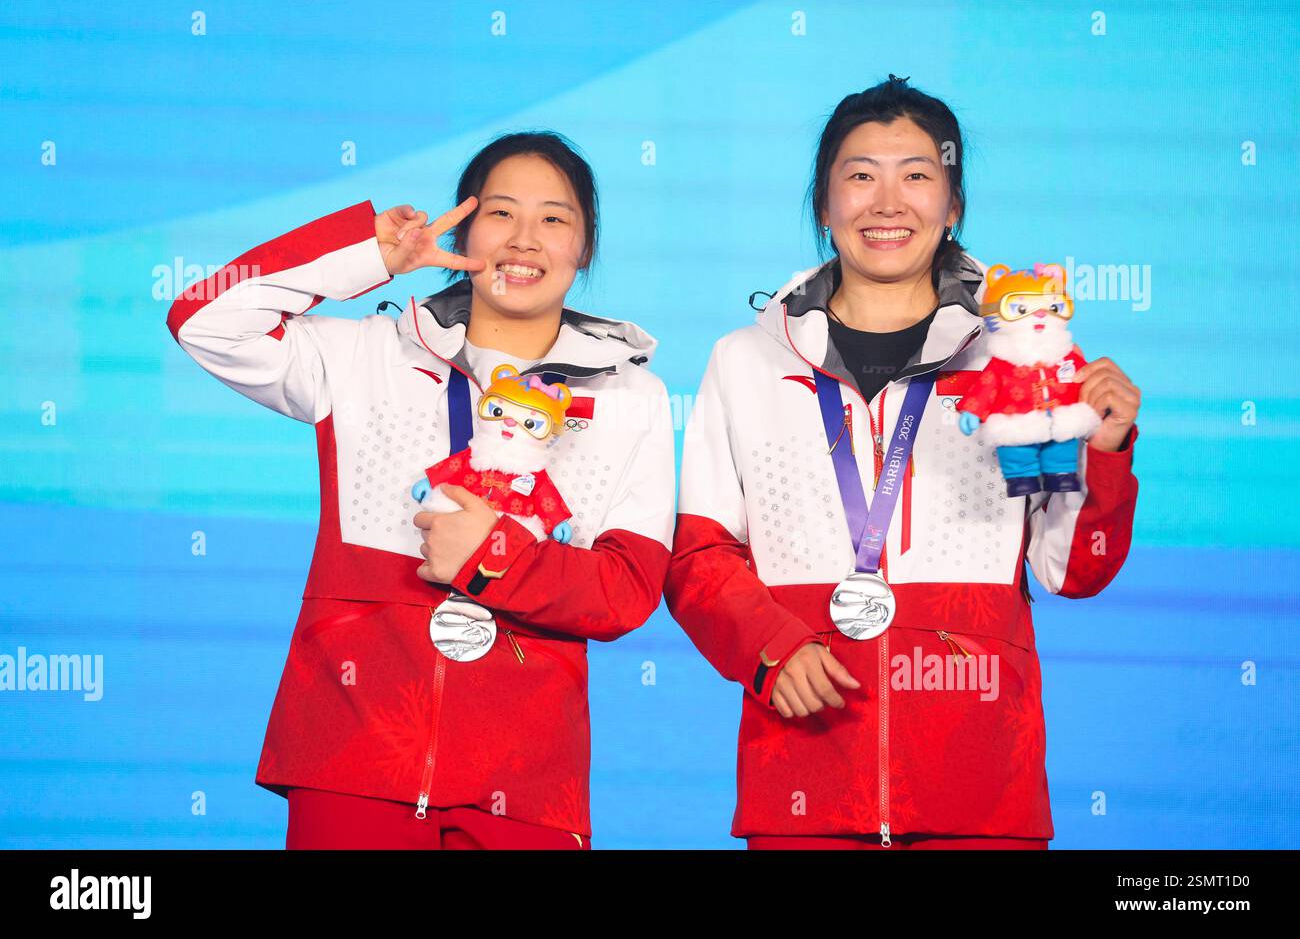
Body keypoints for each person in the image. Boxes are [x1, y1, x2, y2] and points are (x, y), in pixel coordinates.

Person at [664, 76, 1141, 849]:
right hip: (803, 774)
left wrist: (1109, 452)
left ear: (952, 205)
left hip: (982, 788)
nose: (888, 203)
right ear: (824, 204)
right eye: (860, 176)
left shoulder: (1019, 361)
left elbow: (1072, 571)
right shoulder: (745, 361)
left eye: (917, 175)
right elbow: (698, 556)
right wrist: (771, 648)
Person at [166, 131, 676, 849]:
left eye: (555, 219)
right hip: (350, 760)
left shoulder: (633, 398)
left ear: (585, 246)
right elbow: (203, 318)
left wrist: (496, 557)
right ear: (465, 230)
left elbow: (626, 588)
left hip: (525, 783)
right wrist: (367, 256)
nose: (525, 240)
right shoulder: (363, 356)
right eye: (501, 213)